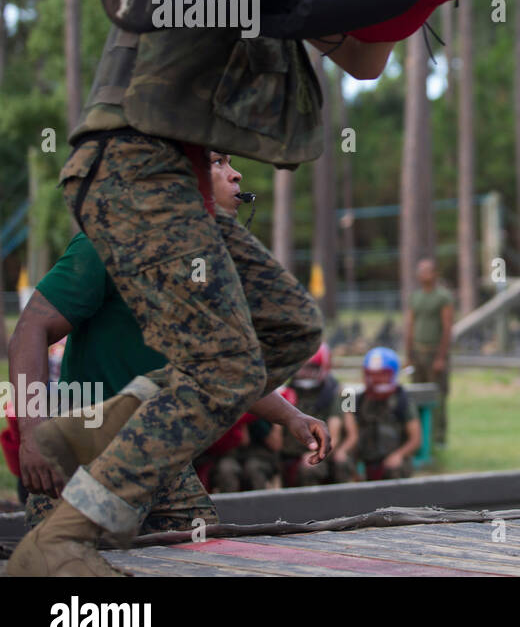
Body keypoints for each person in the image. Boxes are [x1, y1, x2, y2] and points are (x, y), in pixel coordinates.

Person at [6, 0, 394, 577]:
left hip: (178, 177)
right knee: (222, 367)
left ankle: (80, 433)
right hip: (130, 163)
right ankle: (61, 542)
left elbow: (361, 60)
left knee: (288, 328)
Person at [9, 152, 328, 536]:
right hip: (86, 447)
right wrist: (31, 433)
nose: (236, 174)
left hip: (158, 446)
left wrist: (291, 417)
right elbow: (30, 330)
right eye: (218, 162)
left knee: (201, 551)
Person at [338, 348, 421, 482]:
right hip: (367, 459)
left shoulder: (402, 400)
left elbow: (416, 440)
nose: (376, 379)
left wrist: (398, 455)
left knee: (395, 470)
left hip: (392, 460)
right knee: (341, 462)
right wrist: (342, 395)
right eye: (372, 375)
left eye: (382, 375)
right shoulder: (358, 399)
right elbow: (346, 414)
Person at [280, 344, 353, 486]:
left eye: (311, 368)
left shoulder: (341, 393)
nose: (305, 373)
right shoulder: (285, 392)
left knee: (315, 468)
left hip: (321, 453)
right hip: (291, 453)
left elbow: (337, 433)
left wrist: (317, 455)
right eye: (302, 367)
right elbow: (276, 437)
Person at [404, 259, 454, 445]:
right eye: (421, 271)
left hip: (435, 353)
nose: (423, 274)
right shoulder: (415, 297)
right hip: (418, 352)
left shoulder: (443, 297)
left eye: (427, 271)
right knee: (416, 395)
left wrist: (441, 357)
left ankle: (438, 438)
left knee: (438, 396)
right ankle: (418, 438)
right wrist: (408, 354)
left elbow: (448, 327)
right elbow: (409, 324)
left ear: (435, 274)